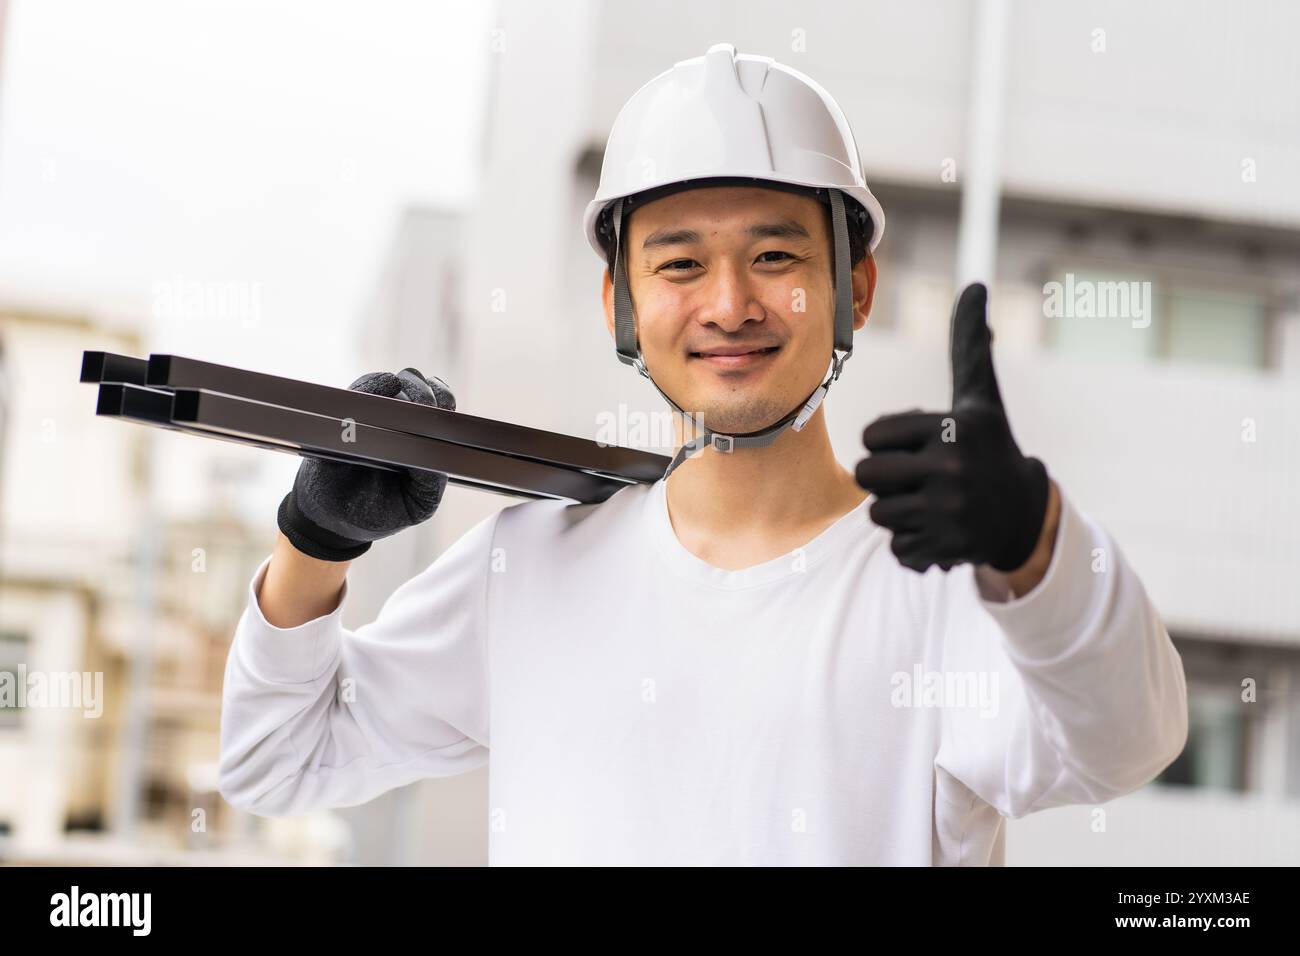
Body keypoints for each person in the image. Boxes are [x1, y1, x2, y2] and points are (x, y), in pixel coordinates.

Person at [218, 43, 1188, 865]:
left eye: (775, 257)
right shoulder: (533, 568)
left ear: (856, 289)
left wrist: (1035, 540)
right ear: (621, 308)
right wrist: (315, 540)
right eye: (679, 263)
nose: (729, 303)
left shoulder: (942, 588)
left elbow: (1125, 741)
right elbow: (277, 758)